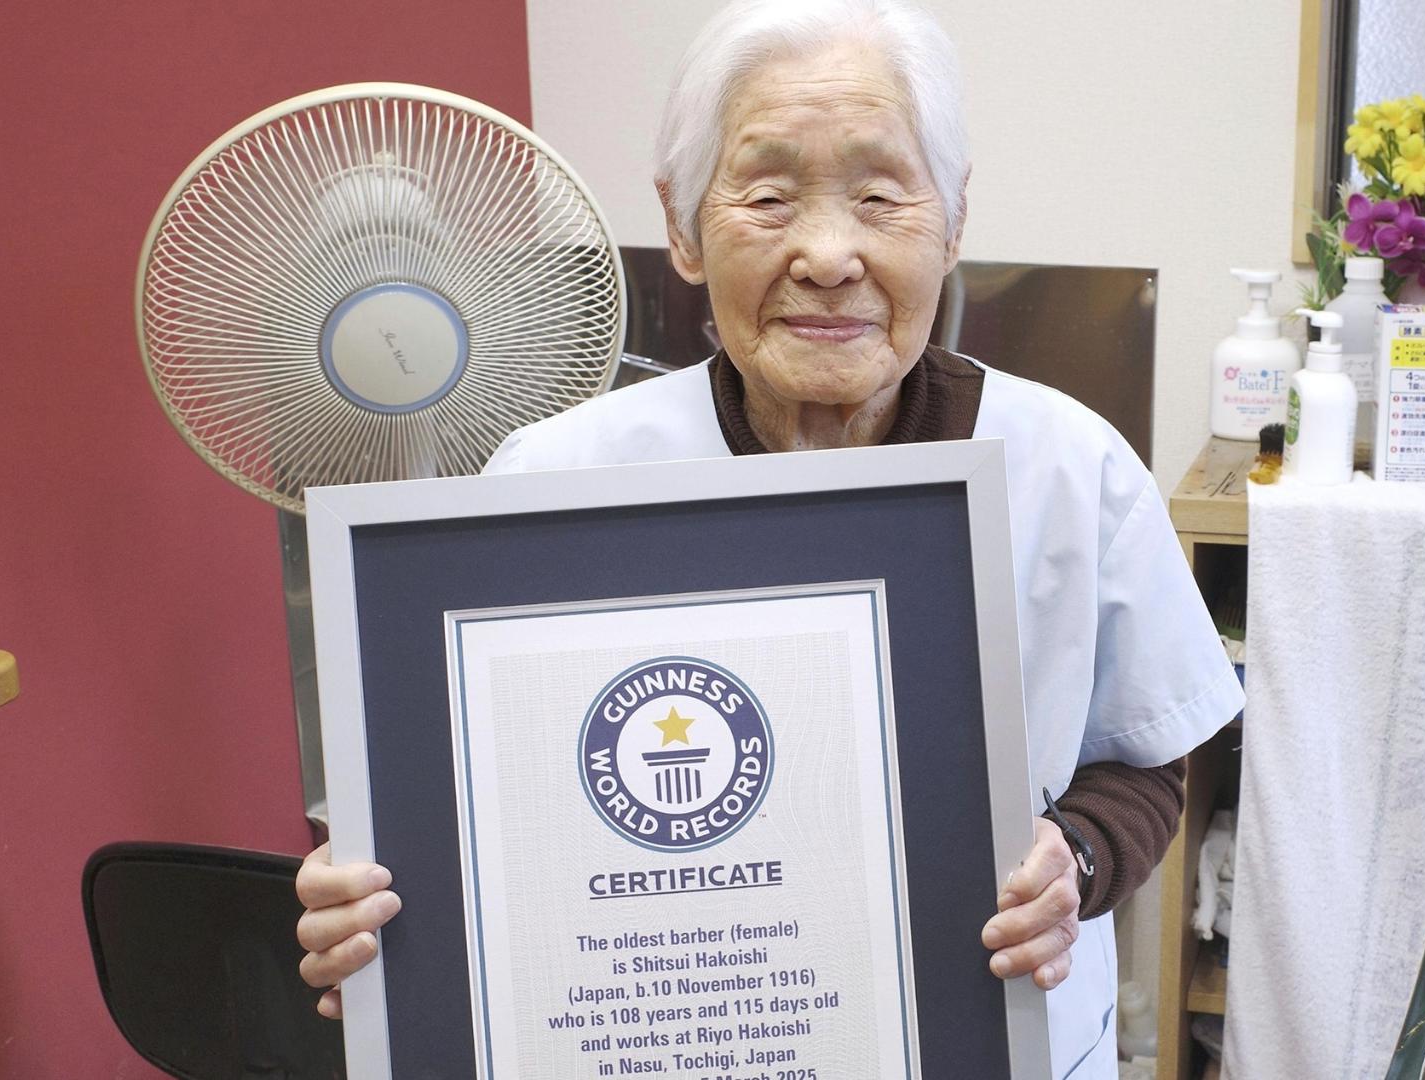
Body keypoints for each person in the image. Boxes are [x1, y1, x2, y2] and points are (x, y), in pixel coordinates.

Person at [294, 1, 1242, 1074]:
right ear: (686, 227)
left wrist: (1072, 858)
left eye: (881, 195)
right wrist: (377, 921)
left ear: (954, 217)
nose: (828, 254)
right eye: (769, 195)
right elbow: (473, 817)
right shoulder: (552, 481)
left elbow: (1146, 759)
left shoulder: (1070, 466)